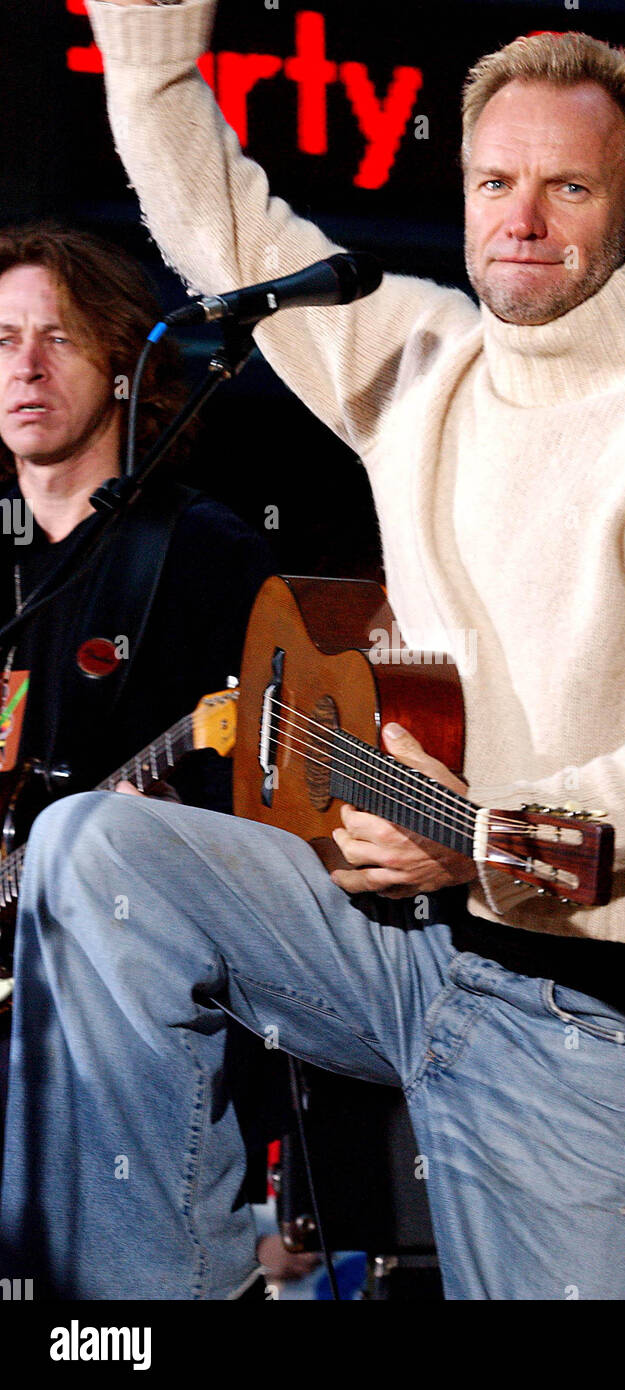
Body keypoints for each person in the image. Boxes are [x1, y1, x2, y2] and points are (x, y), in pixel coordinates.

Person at [0, 3, 625, 1301]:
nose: (521, 217)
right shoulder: (424, 366)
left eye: (567, 187)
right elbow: (231, 234)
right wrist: (147, 48)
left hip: (586, 1020)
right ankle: (169, 1300)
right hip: (411, 953)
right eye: (495, 181)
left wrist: (486, 834)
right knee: (93, 847)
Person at [0, 222, 276, 1157]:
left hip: (140, 1035)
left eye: (59, 338)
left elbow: (262, 812)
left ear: (126, 366)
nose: (26, 368)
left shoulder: (199, 552)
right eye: (3, 341)